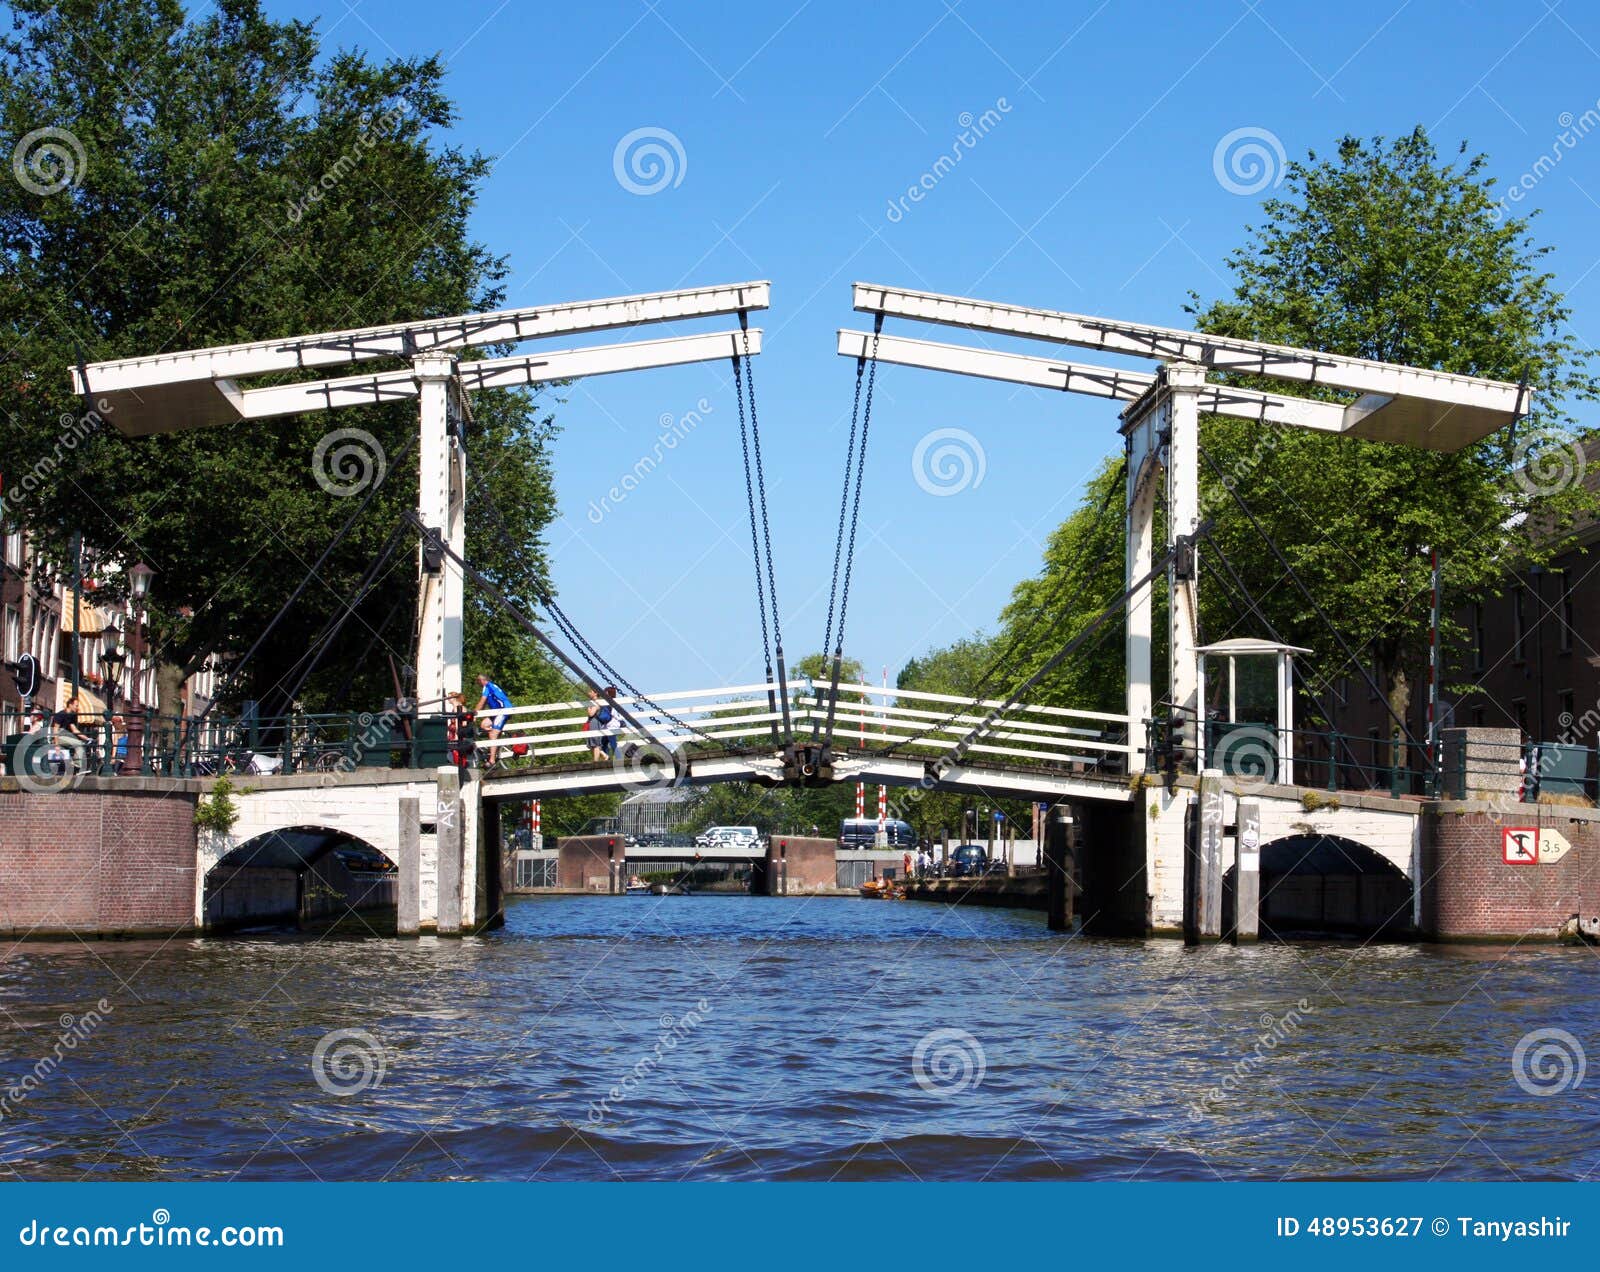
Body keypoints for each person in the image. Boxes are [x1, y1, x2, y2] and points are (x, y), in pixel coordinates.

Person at [473, 674, 512, 764]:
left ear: (482, 681)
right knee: (483, 725)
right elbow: (484, 703)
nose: (477, 684)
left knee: (492, 734)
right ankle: (496, 741)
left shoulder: (487, 687)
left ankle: (492, 760)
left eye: (478, 681)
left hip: (503, 710)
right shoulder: (491, 686)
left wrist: (473, 714)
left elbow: (482, 702)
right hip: (497, 712)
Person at [587, 685, 619, 761]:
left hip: (612, 726)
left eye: (606, 693)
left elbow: (591, 714)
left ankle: (618, 758)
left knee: (612, 743)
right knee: (603, 743)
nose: (604, 694)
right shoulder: (606, 703)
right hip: (606, 726)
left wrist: (589, 707)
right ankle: (606, 757)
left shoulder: (609, 703)